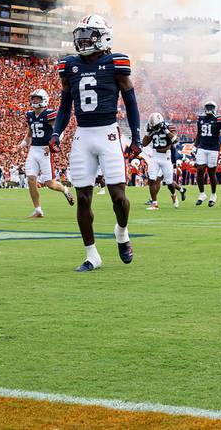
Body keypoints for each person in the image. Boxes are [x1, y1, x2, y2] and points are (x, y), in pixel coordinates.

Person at [52, 14, 140, 273]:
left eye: (88, 35)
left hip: (108, 133)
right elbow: (64, 106)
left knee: (119, 198)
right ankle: (92, 255)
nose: (82, 40)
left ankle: (121, 232)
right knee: (82, 198)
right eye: (80, 35)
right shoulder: (69, 65)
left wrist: (136, 138)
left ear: (103, 37)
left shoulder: (115, 62)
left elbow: (131, 101)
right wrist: (56, 133)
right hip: (83, 135)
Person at [19, 88, 74, 218]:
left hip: (45, 150)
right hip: (33, 149)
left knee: (50, 184)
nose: (34, 100)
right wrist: (21, 144)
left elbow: (59, 131)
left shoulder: (49, 114)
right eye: (33, 98)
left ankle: (65, 189)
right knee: (31, 179)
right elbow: (29, 134)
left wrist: (53, 144)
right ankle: (38, 209)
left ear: (44, 100)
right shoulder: (30, 115)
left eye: (37, 98)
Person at [142, 112, 185, 210]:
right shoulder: (151, 128)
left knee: (169, 183)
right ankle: (155, 204)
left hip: (166, 158)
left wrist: (166, 131)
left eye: (156, 126)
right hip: (155, 156)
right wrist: (148, 133)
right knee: (151, 179)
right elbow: (144, 144)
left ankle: (174, 195)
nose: (154, 128)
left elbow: (175, 140)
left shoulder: (168, 127)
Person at [193, 101, 221, 207]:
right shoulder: (201, 119)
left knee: (211, 172)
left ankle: (213, 195)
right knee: (200, 170)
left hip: (213, 149)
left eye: (211, 107)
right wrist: (194, 146)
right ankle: (202, 194)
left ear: (215, 108)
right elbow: (199, 135)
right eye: (207, 107)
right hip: (202, 147)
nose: (209, 109)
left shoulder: (219, 120)